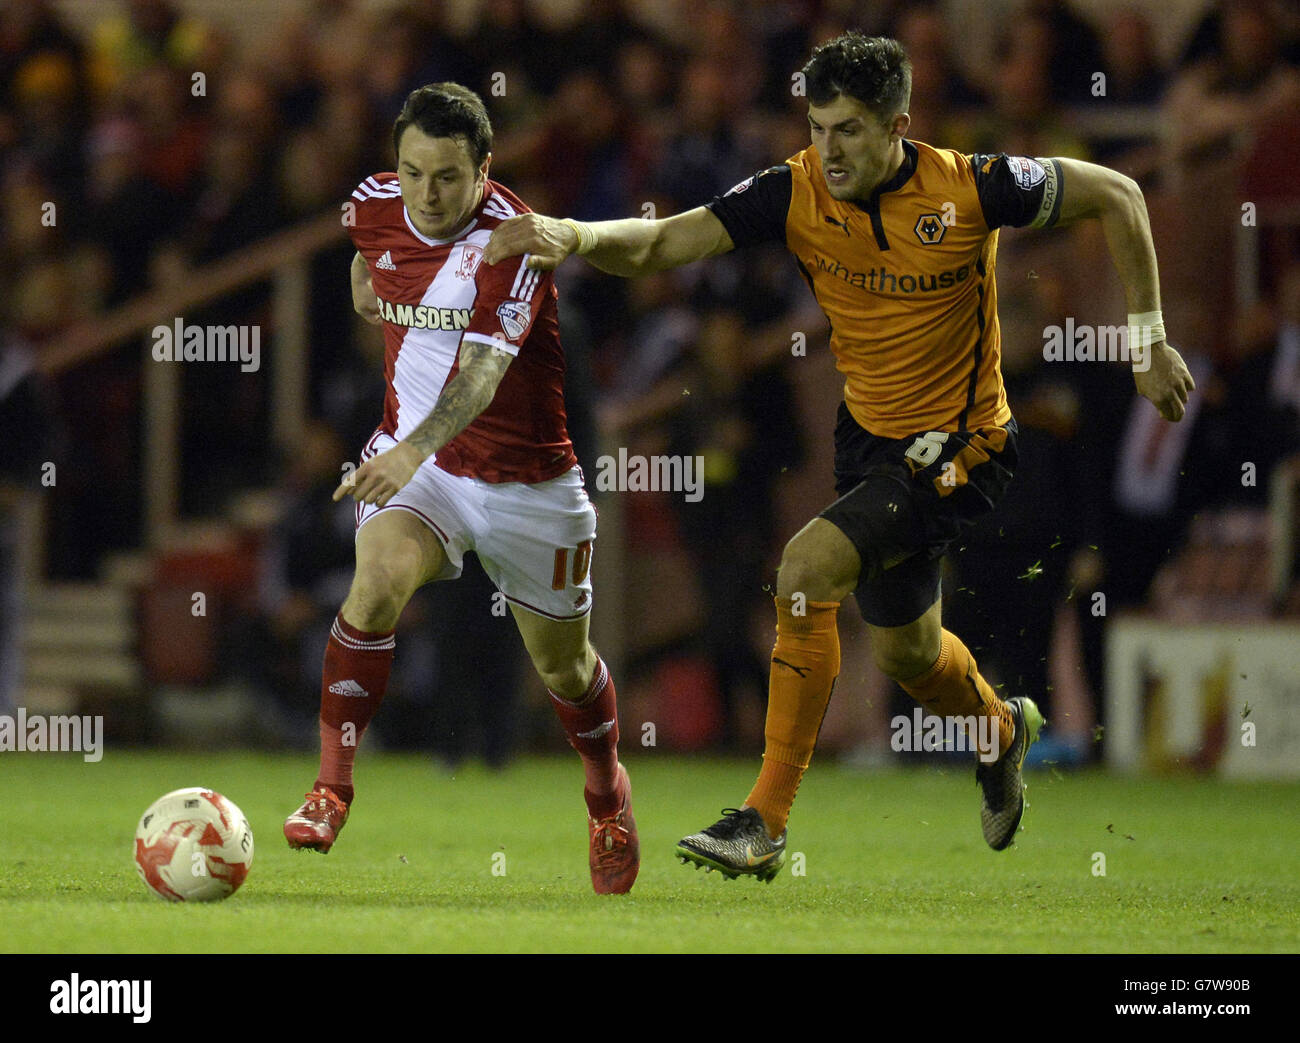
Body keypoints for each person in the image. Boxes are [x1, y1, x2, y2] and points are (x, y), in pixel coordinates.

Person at [484, 33, 1195, 879]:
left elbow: (1118, 192)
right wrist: (571, 231)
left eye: (850, 129)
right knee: (907, 652)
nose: (830, 147)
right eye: (819, 125)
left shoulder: (970, 185)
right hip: (873, 445)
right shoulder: (795, 189)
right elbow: (666, 241)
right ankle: (1003, 730)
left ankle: (764, 819)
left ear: (899, 122)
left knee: (804, 567)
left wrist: (1147, 340)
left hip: (968, 440)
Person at [283, 83, 639, 895]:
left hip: (526, 482)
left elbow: (480, 373)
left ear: (485, 169)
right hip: (429, 472)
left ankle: (606, 796)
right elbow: (365, 244)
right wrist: (360, 278)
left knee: (566, 671)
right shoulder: (373, 204)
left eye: (447, 177)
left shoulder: (517, 243)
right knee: (374, 585)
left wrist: (410, 450)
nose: (426, 195)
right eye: (412, 172)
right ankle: (332, 788)